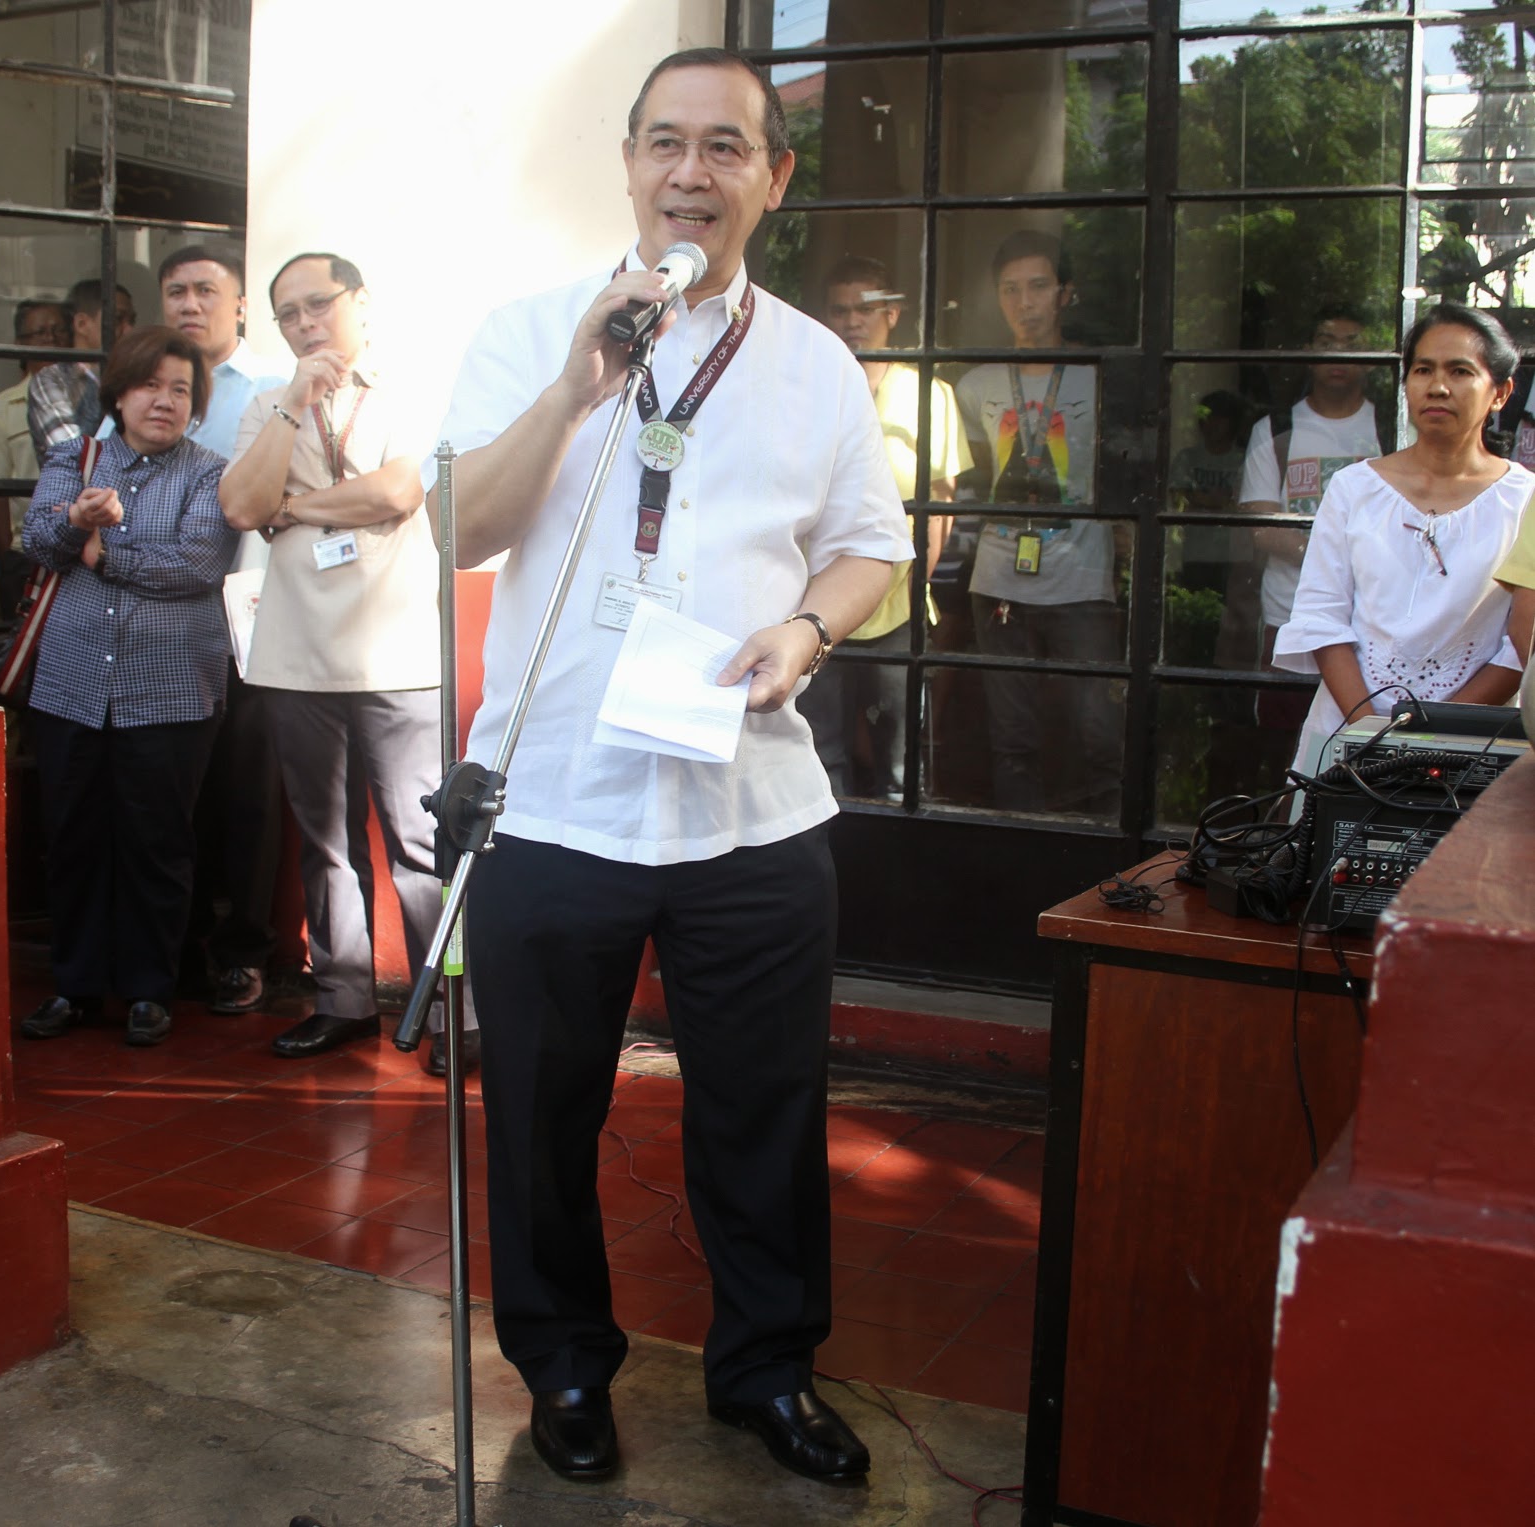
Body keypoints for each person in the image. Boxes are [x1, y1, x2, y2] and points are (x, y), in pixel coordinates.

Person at [431, 48, 910, 1488]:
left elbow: (870, 543)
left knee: (761, 1110)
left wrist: (809, 627)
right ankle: (566, 1367)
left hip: (747, 803)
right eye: (663, 143)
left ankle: (763, 1370)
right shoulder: (532, 330)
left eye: (723, 148)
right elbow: (460, 527)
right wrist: (581, 385)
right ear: (629, 163)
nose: (689, 172)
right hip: (553, 797)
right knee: (537, 1108)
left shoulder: (816, 363)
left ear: (771, 178)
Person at [219, 252, 473, 1075]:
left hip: (399, 652)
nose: (303, 326)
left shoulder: (411, 393)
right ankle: (343, 1000)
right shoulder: (267, 403)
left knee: (422, 840)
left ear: (361, 303)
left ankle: (454, 1010)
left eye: (317, 305)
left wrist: (292, 509)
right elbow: (240, 506)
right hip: (296, 656)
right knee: (324, 841)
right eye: (286, 314)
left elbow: (398, 492)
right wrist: (295, 404)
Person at [17, 326, 236, 1047]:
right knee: (74, 838)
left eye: (181, 389)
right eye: (151, 385)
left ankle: (149, 988)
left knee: (158, 842)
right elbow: (36, 536)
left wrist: (98, 548)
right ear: (119, 393)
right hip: (72, 686)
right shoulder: (73, 458)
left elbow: (197, 563)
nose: (164, 400)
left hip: (171, 691)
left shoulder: (209, 472)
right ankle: (76, 986)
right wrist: (72, 521)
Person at [1274, 303, 1533, 781]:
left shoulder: (1525, 500)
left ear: (1500, 392)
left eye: (1460, 371)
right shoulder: (1354, 488)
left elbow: (1522, 648)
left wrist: (1429, 737)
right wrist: (1371, 731)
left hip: (1469, 748)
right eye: (1422, 370)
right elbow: (1322, 619)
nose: (1438, 386)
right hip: (1345, 737)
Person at [157, 244, 289, 1016]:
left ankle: (241, 951)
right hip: (160, 628)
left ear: (238, 305)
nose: (190, 303)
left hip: (246, 622)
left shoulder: (272, 389)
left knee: (247, 797)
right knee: (175, 794)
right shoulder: (144, 388)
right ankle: (173, 950)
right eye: (175, 290)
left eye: (207, 290)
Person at [957, 230, 1123, 816]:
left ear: (1063, 294)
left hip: (1081, 575)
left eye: (1037, 286)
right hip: (999, 577)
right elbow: (969, 476)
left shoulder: (1097, 378)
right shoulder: (975, 386)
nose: (1024, 302)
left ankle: (1105, 858)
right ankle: (1017, 844)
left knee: (1099, 728)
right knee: (1011, 737)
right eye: (1010, 290)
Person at [802, 255, 965, 799]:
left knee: (902, 755)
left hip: (896, 603)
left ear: (893, 313)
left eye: (865, 309)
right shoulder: (809, 389)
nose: (852, 320)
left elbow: (939, 508)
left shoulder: (929, 394)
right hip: (815, 597)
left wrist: (914, 586)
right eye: (839, 310)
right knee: (819, 747)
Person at [1239, 303, 1384, 741]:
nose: (1338, 354)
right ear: (1308, 352)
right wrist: (1341, 553)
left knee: (1364, 741)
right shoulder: (1277, 428)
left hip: (1372, 620)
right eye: (1326, 342)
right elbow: (1261, 528)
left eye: (1351, 344)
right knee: (1282, 744)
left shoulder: (1391, 427)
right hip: (1289, 618)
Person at [0, 300, 70, 620]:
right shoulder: (4, 406)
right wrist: (8, 555)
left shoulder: (88, 396)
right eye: (40, 332)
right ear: (21, 344)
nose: (51, 339)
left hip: (75, 546)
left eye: (57, 331)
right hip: (26, 554)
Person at [27, 279, 136, 463]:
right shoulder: (52, 380)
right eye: (118, 319)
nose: (130, 330)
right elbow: (76, 458)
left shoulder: (135, 377)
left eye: (132, 321)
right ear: (82, 324)